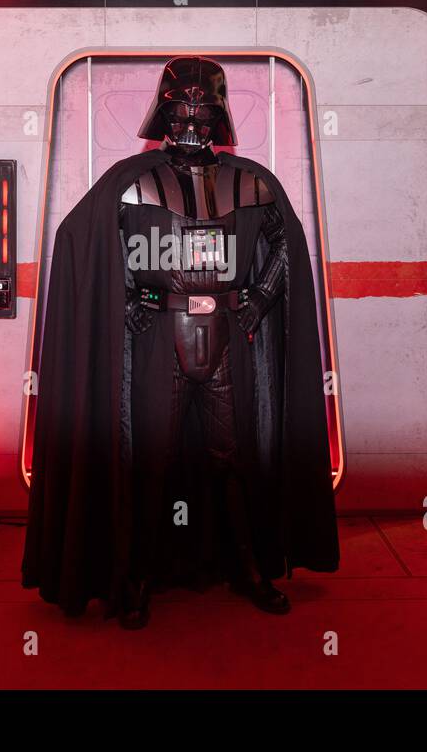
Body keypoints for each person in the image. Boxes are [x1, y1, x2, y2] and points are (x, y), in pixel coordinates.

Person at [22, 57, 339, 630]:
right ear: (164, 111)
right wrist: (122, 304)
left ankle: (249, 568)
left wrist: (259, 304)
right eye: (181, 107)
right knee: (150, 461)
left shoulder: (254, 182)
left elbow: (286, 249)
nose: (191, 119)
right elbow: (86, 247)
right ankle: (137, 576)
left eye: (202, 108)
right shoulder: (129, 181)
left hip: (227, 340)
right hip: (157, 341)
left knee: (234, 461)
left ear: (218, 116)